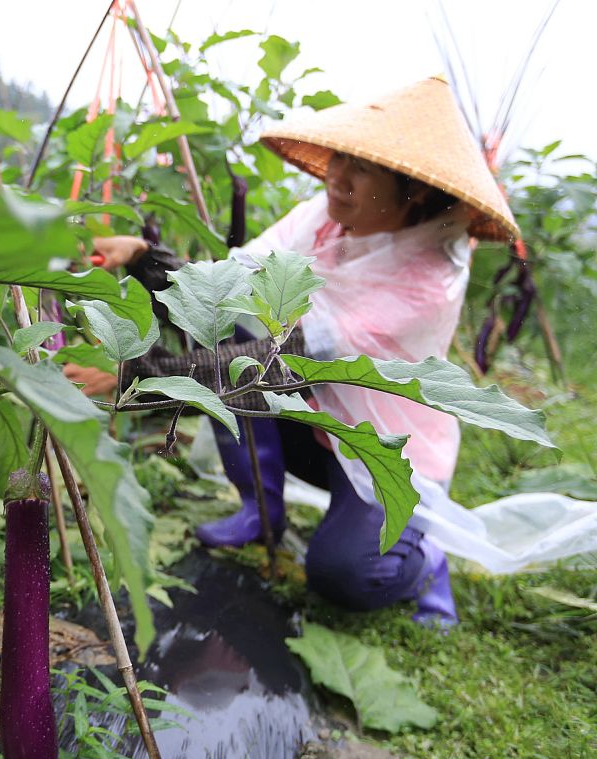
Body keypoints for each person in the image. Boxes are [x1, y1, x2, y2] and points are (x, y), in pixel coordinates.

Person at [71, 77, 524, 627]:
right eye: (340, 157)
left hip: (386, 451)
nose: (337, 175)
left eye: (363, 168)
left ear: (416, 192)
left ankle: (424, 562)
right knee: (230, 333)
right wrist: (144, 255)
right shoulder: (328, 218)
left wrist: (136, 379)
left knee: (343, 574)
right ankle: (260, 510)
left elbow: (278, 364)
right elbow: (226, 287)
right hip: (317, 423)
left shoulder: (424, 282)